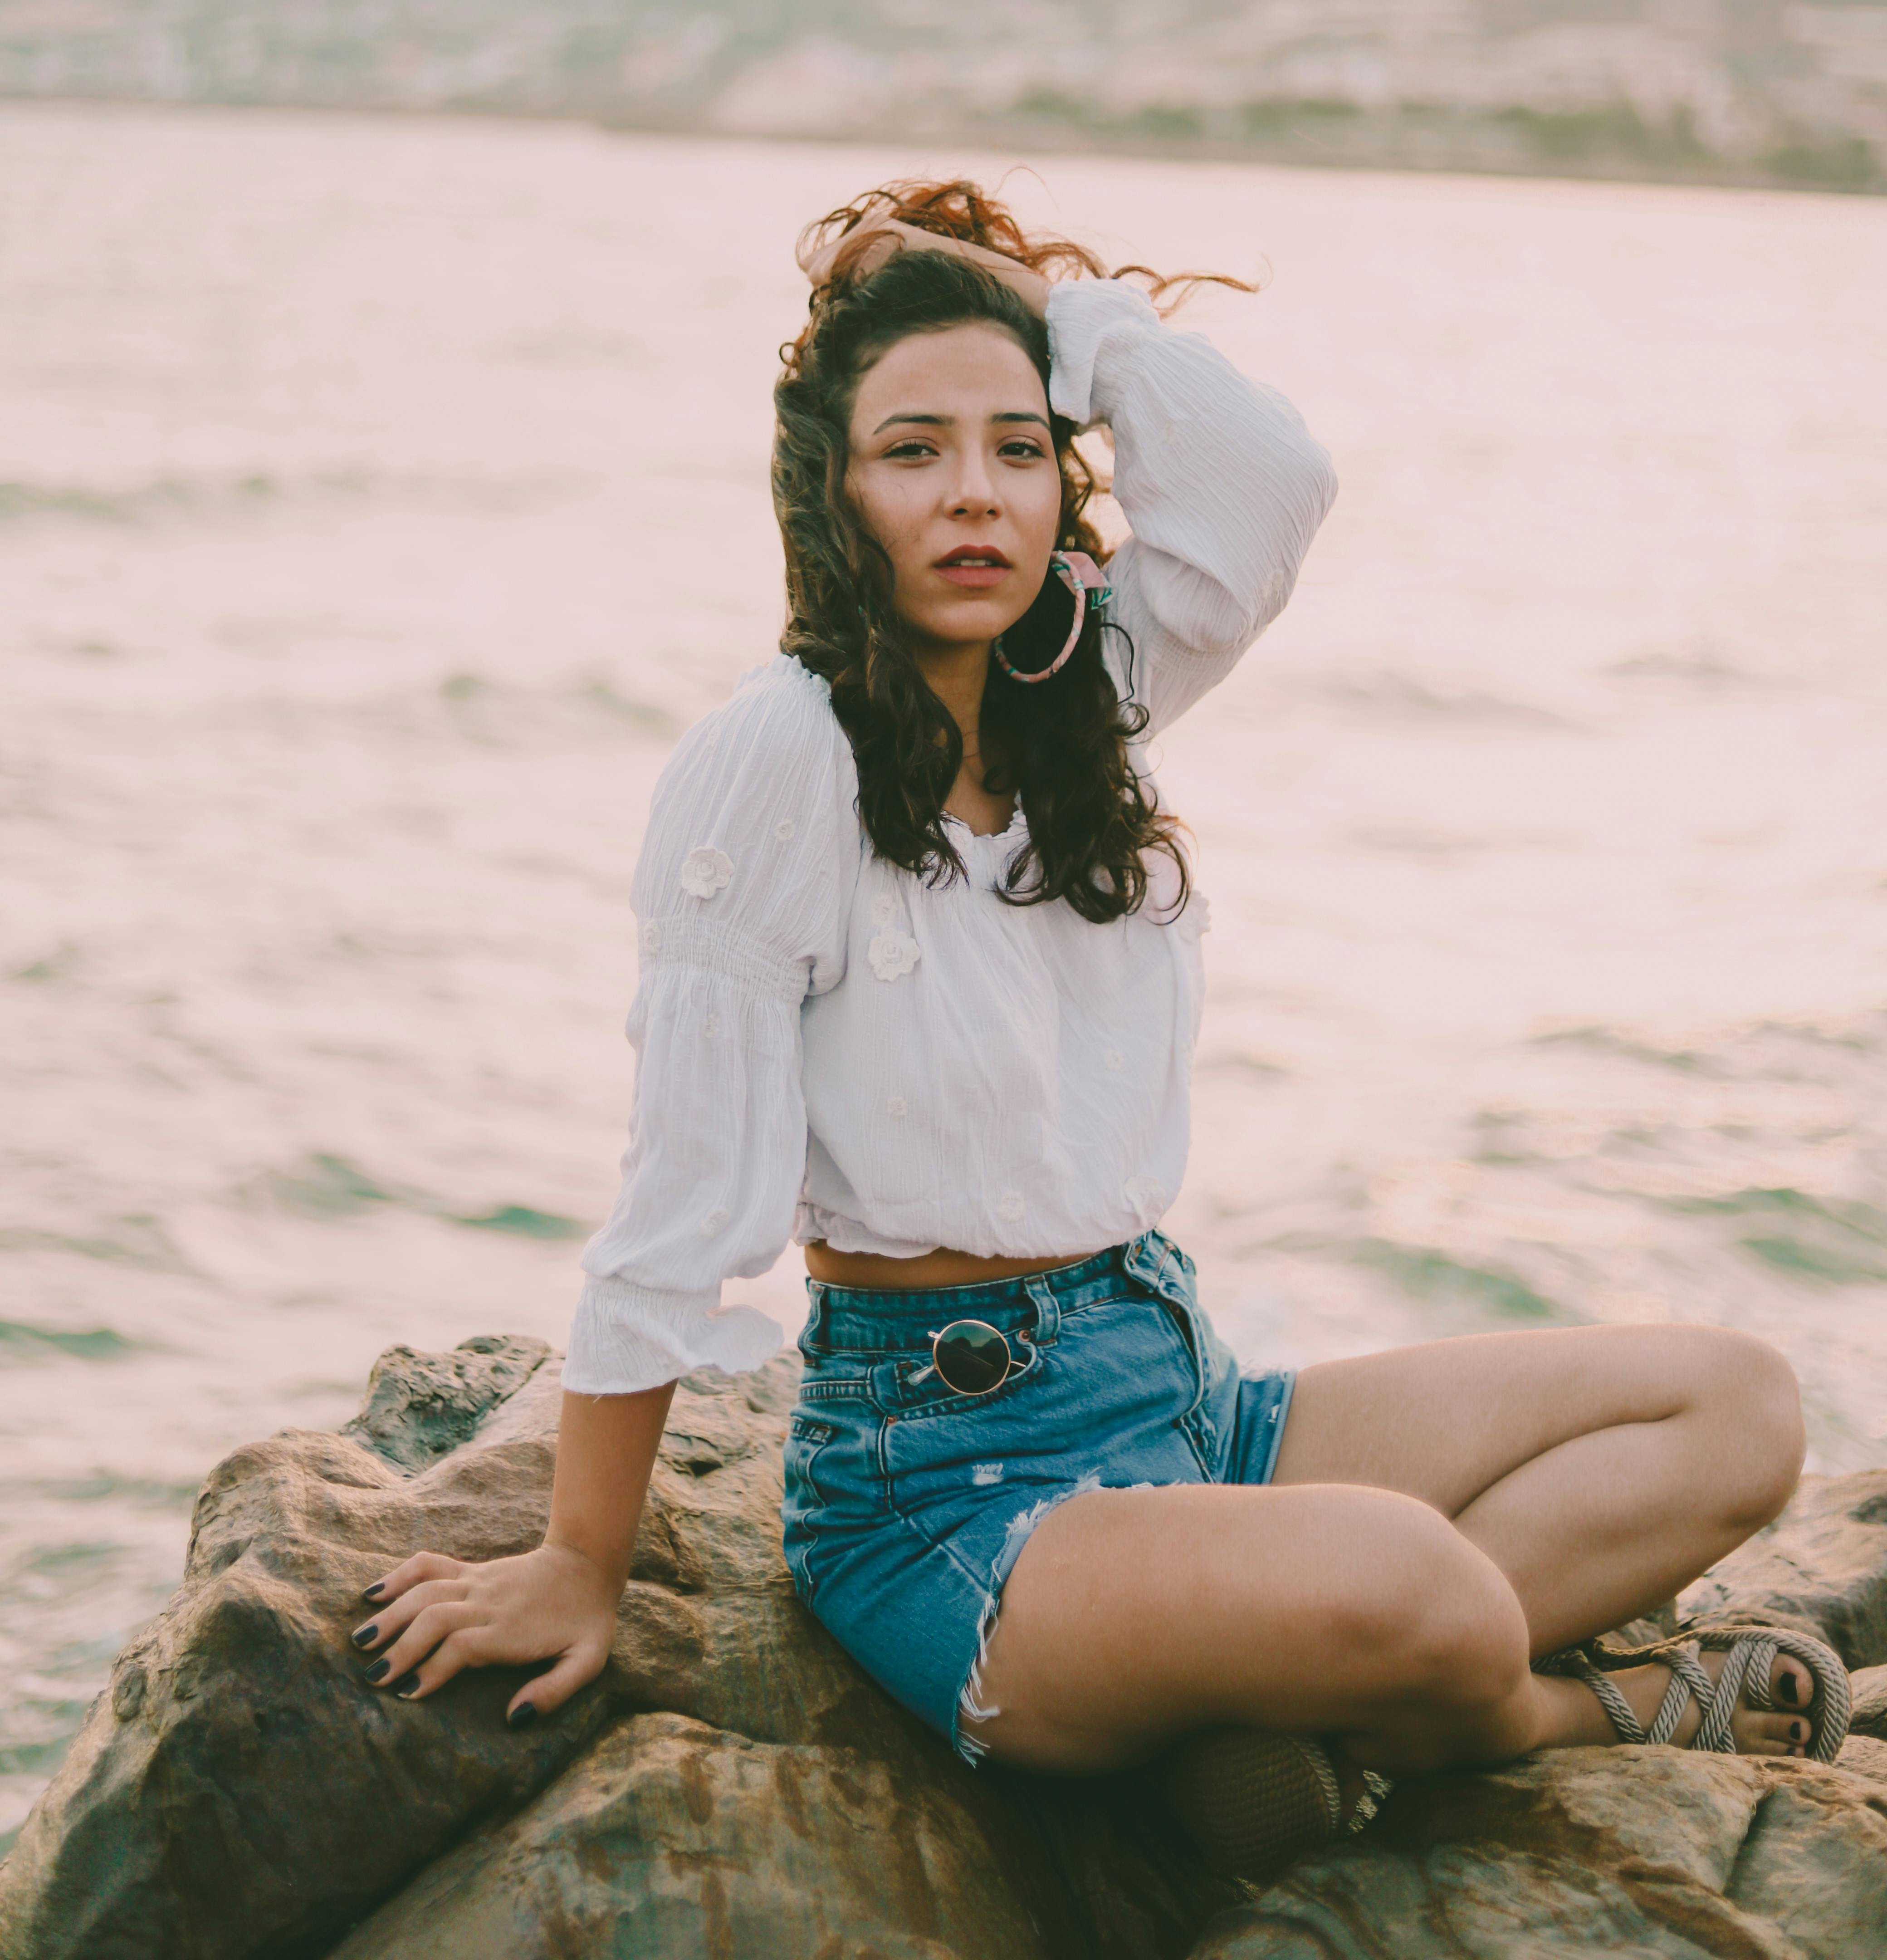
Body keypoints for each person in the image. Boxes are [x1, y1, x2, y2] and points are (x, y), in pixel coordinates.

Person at [347, 180, 1846, 1884]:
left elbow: (1275, 488)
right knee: (1411, 1583)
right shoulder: (780, 761)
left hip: (1180, 1390)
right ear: (831, 495)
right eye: (913, 450)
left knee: (1738, 1409)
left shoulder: (1090, 698)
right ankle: (1547, 1714)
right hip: (955, 1493)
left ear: (1066, 482)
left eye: (1016, 446)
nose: (973, 492)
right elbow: (677, 1212)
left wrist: (1053, 310)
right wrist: (578, 1565)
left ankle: (1280, 1710)